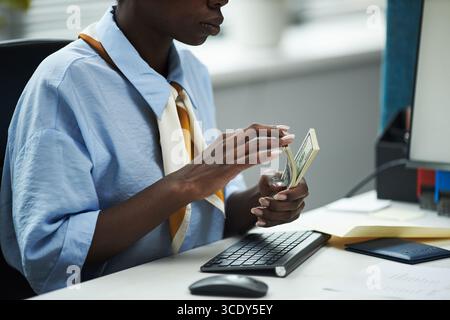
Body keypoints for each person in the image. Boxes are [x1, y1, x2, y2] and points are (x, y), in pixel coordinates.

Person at [0, 0, 308, 295]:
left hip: (196, 283)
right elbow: (50, 253)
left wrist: (259, 201)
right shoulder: (63, 84)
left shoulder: (191, 72)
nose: (221, 1)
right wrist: (184, 184)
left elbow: (211, 219)